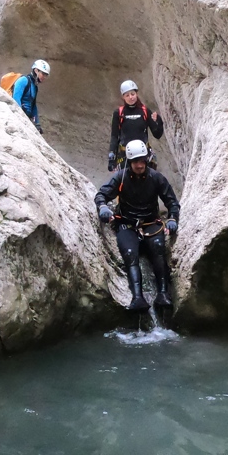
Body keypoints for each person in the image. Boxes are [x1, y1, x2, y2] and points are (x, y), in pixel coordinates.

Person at [95, 140, 180, 311]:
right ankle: (137, 298)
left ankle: (163, 294)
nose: (139, 165)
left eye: (142, 161)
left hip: (150, 223)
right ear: (129, 161)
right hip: (127, 224)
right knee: (129, 253)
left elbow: (172, 202)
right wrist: (103, 207)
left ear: (146, 160)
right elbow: (101, 195)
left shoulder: (156, 178)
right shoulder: (121, 177)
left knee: (158, 248)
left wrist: (172, 219)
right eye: (136, 162)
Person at [108, 79, 164, 171]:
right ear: (123, 97)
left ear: (136, 94)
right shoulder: (118, 113)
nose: (131, 97)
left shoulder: (145, 111)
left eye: (132, 94)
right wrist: (111, 157)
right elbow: (114, 136)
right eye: (127, 95)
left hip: (144, 156)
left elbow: (157, 134)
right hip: (125, 157)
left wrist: (159, 121)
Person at [11, 59, 51, 132]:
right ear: (36, 70)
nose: (44, 77)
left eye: (46, 75)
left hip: (26, 118)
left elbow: (33, 107)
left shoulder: (35, 87)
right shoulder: (23, 80)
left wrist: (37, 123)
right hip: (17, 117)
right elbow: (16, 99)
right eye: (43, 74)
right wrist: (20, 117)